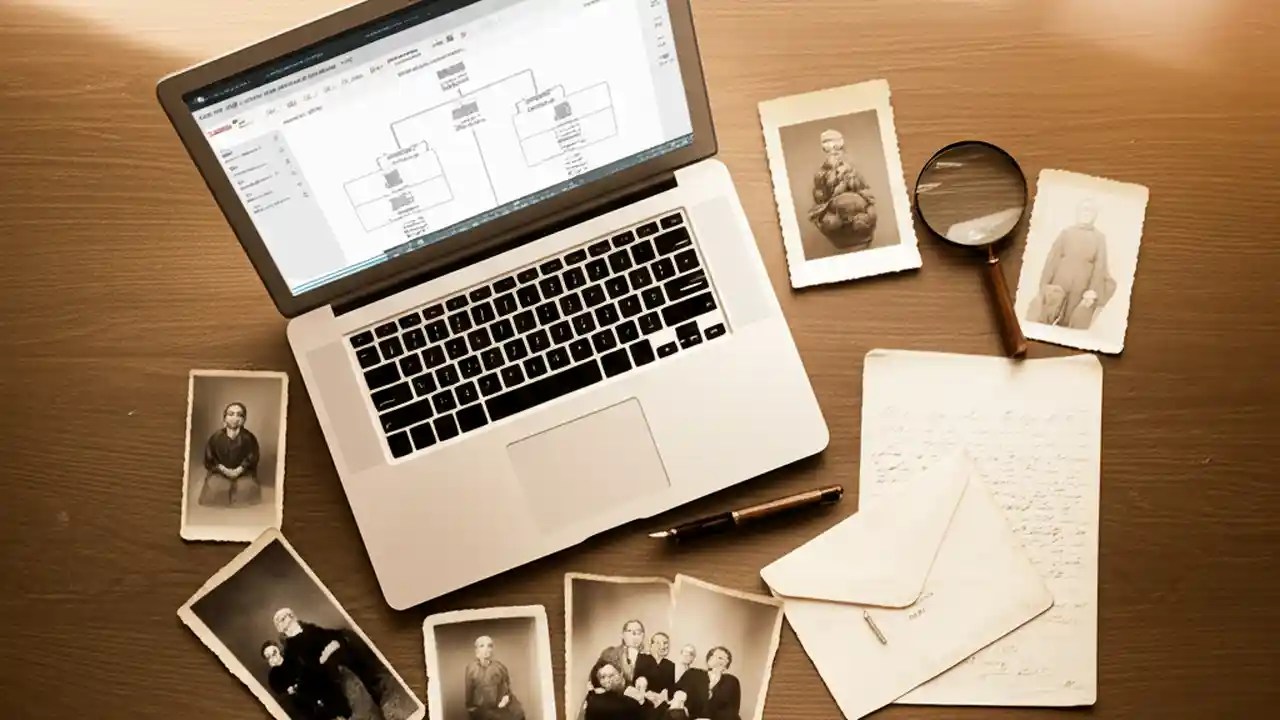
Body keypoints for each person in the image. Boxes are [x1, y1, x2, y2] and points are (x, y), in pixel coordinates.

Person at [274, 608, 385, 720]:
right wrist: (326, 655)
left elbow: (332, 636)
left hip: (342, 664)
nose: (289, 618)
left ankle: (375, 687)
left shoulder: (311, 629)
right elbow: (309, 671)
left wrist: (335, 643)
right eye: (283, 619)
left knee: (347, 644)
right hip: (329, 682)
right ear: (281, 628)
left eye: (289, 615)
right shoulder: (291, 651)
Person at [1032, 198, 1116, 330]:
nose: (1086, 214)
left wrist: (1092, 290)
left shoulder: (1099, 238)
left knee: (1070, 323)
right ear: (1077, 212)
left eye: (1090, 211)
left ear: (1095, 215)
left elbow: (1100, 267)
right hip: (1058, 283)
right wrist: (1044, 285)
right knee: (1047, 319)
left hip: (1081, 288)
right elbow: (1052, 260)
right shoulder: (1066, 233)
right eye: (1083, 210)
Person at [807, 128, 878, 248]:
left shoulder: (851, 169)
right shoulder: (821, 174)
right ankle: (844, 236)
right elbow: (820, 197)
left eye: (838, 149)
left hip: (856, 209)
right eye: (830, 150)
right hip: (834, 211)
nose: (834, 153)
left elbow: (863, 189)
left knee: (864, 217)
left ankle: (859, 234)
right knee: (831, 222)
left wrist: (850, 179)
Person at [263, 640, 352, 720]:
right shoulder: (273, 677)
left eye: (274, 652)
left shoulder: (292, 657)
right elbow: (280, 691)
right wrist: (288, 690)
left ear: (279, 650)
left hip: (316, 684)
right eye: (268, 656)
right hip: (304, 700)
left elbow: (309, 668)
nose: (273, 657)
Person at [198, 401, 262, 507]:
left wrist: (238, 470)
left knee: (245, 490)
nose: (235, 418)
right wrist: (223, 470)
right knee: (215, 489)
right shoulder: (216, 437)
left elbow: (252, 457)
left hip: (243, 473)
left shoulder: (249, 438)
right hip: (219, 472)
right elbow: (209, 458)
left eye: (239, 415)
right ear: (225, 418)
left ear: (244, 419)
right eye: (231, 414)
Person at [464, 635, 525, 720]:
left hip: (499, 709)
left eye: (489, 646)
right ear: (476, 650)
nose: (486, 649)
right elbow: (469, 694)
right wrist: (472, 710)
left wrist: (505, 699)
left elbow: (507, 690)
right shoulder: (471, 669)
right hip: (481, 711)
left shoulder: (500, 667)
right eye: (482, 646)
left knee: (518, 714)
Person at [634, 633, 675, 717]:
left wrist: (666, 693)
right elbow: (635, 681)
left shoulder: (670, 665)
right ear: (651, 645)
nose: (663, 646)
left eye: (665, 643)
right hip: (642, 700)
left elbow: (671, 688)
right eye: (658, 643)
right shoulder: (641, 658)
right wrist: (645, 693)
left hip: (661, 703)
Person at [666, 645, 708, 719]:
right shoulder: (669, 667)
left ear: (694, 658)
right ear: (680, 653)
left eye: (690, 654)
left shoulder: (695, 674)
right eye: (684, 652)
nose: (686, 655)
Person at [701, 647, 741, 720]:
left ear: (726, 664)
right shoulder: (695, 675)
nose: (715, 659)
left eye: (720, 658)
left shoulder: (731, 681)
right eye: (713, 656)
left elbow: (732, 710)